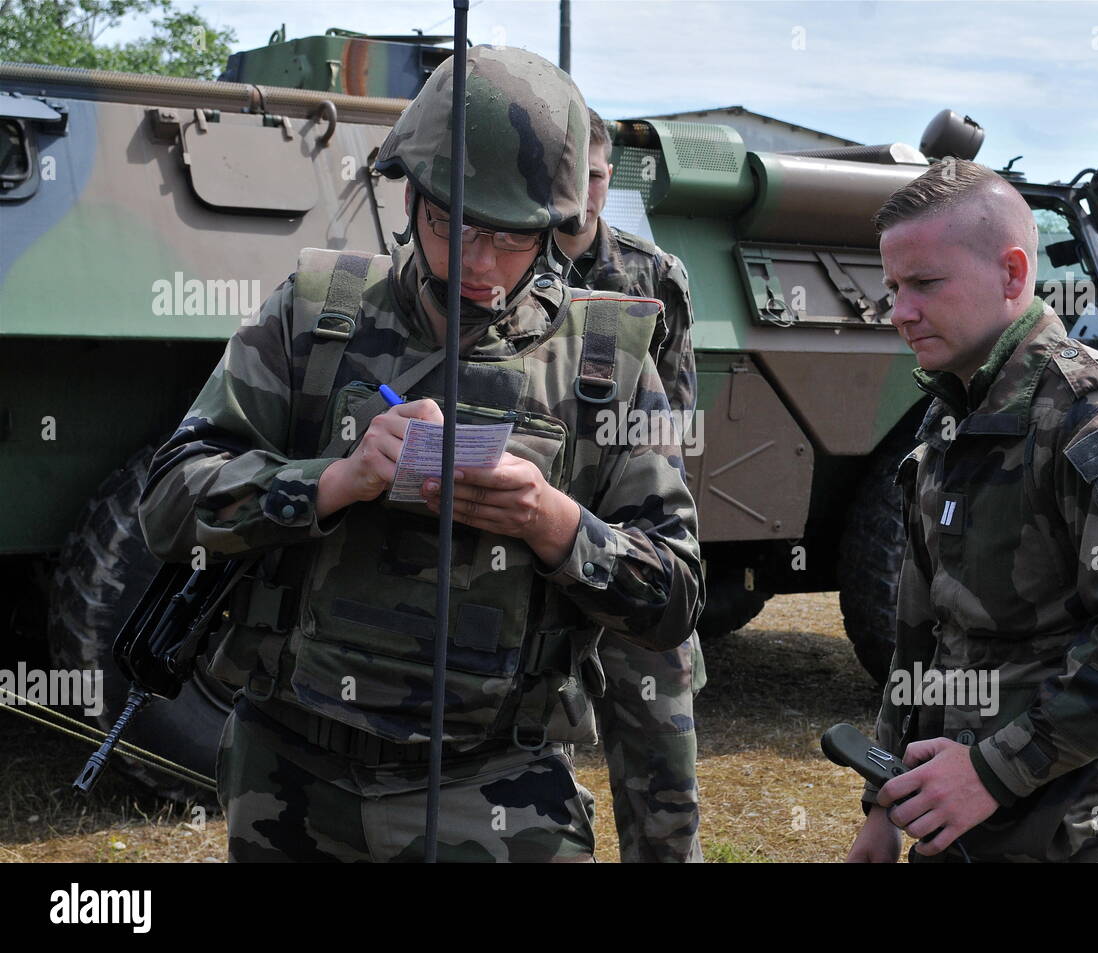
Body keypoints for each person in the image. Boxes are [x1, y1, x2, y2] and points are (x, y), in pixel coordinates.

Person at [139, 46, 703, 863]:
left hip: (496, 794)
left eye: (510, 238)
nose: (480, 263)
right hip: (293, 778)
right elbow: (166, 503)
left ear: (551, 225)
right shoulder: (316, 313)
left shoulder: (605, 363)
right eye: (454, 224)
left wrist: (552, 522)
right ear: (410, 194)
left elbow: (676, 598)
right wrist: (328, 484)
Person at [845, 158, 1098, 863]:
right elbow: (923, 636)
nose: (899, 311)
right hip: (957, 817)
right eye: (893, 287)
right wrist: (885, 797)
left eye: (924, 284)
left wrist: (991, 770)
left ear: (1013, 275)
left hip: (1080, 831)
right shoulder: (950, 422)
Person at [553, 108, 704, 864]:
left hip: (630, 546)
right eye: (568, 172)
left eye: (597, 174)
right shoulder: (507, 261)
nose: (582, 190)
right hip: (532, 545)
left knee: (663, 781)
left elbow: (676, 424)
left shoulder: (654, 276)